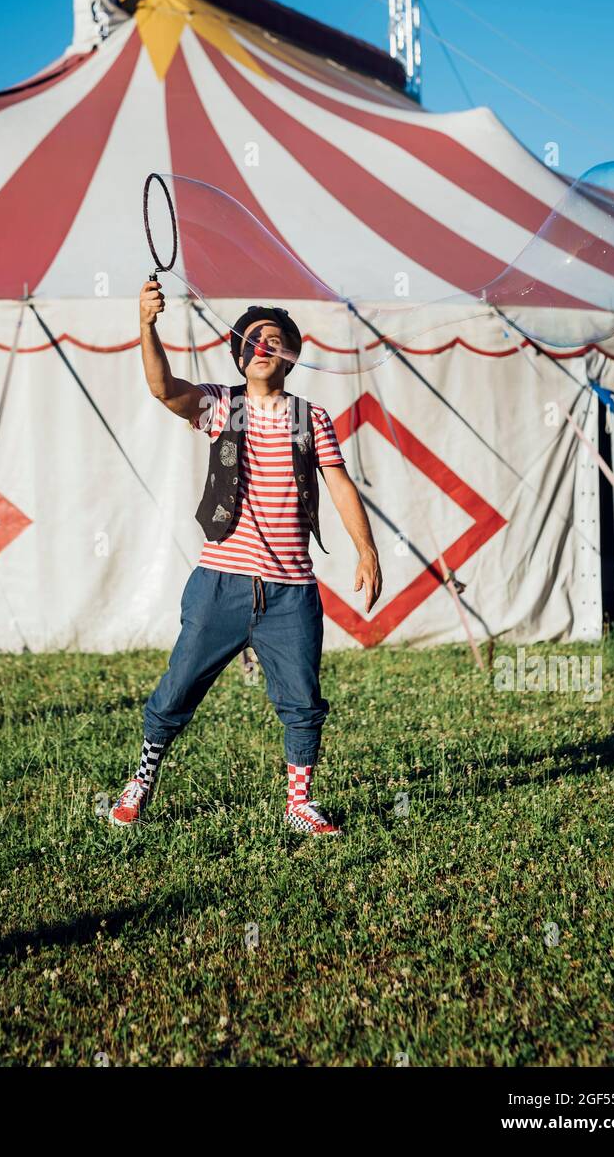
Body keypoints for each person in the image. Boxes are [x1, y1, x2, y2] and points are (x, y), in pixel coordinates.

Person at [108, 279, 382, 835]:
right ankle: (141, 782)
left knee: (303, 700)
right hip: (221, 584)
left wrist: (366, 549)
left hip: (291, 591)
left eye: (275, 339)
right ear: (239, 354)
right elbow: (162, 388)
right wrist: (146, 323)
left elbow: (339, 483)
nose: (263, 344)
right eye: (253, 338)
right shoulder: (218, 406)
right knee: (178, 687)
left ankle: (299, 803)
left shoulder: (313, 418)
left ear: (290, 355)